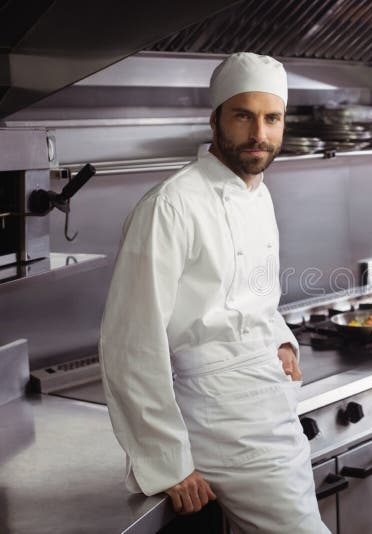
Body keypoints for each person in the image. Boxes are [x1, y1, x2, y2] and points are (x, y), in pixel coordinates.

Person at [99, 52, 329, 534]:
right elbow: (132, 340)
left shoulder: (257, 192)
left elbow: (250, 295)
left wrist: (280, 339)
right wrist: (167, 459)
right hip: (218, 417)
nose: (259, 134)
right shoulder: (171, 206)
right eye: (244, 116)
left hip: (268, 400)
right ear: (215, 119)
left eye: (272, 118)